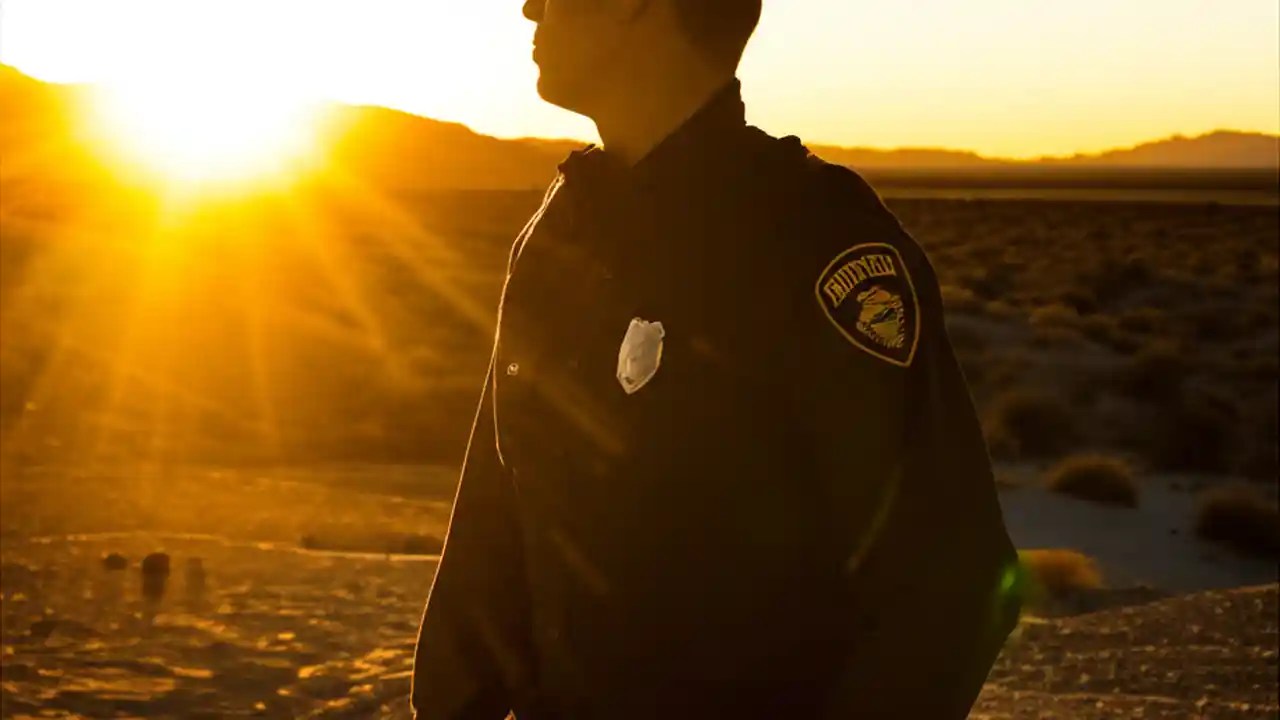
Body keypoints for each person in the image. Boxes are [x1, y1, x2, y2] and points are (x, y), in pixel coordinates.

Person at [411, 1, 1021, 717]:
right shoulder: (560, 228)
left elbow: (953, 581)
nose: (530, 8)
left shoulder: (811, 236)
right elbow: (497, 514)